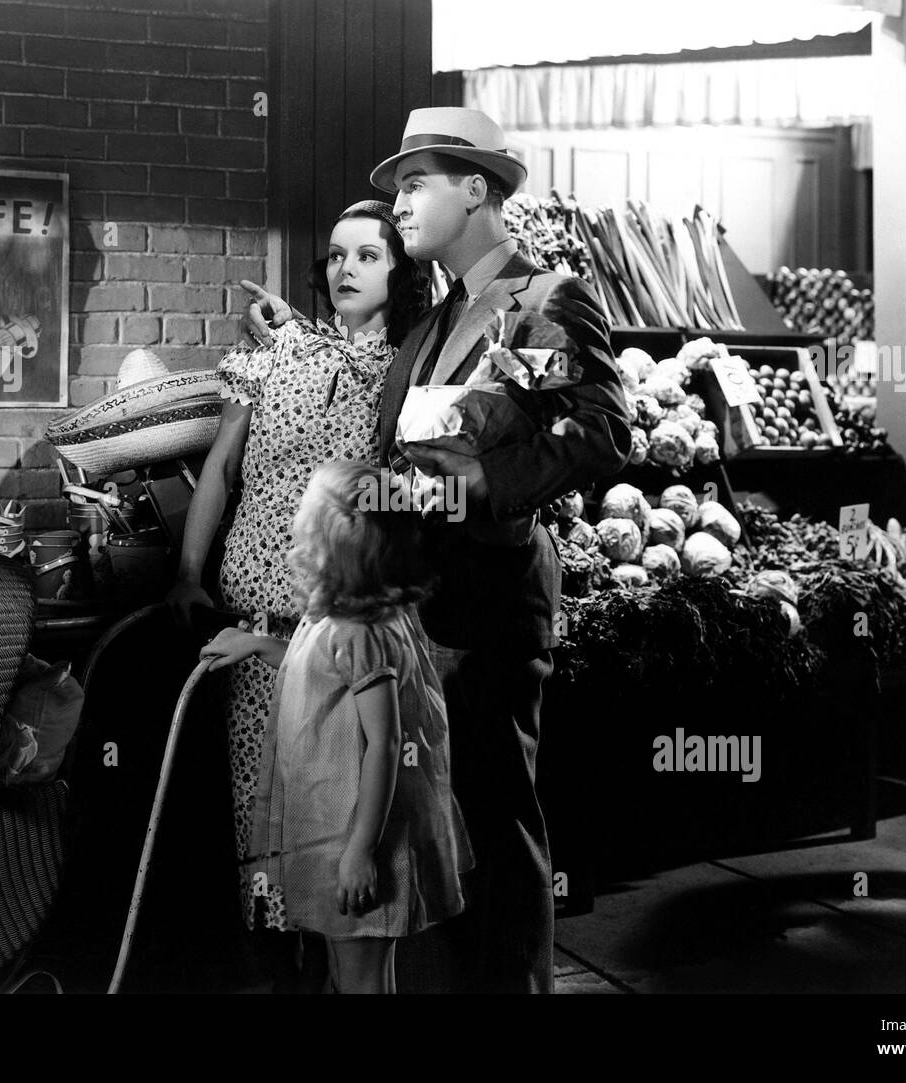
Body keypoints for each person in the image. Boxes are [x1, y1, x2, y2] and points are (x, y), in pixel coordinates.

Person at [238, 107, 634, 993]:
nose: (400, 204)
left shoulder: (545, 300)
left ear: (477, 189)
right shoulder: (427, 329)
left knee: (496, 818)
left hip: (493, 604)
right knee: (431, 825)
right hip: (415, 611)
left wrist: (469, 487)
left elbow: (601, 434)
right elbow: (397, 465)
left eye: (416, 184)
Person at [166, 201, 431, 952]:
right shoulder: (279, 351)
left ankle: (341, 960)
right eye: (336, 255)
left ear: (403, 272)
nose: (344, 268)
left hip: (338, 636)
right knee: (264, 821)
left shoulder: (409, 373)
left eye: (368, 256)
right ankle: (283, 964)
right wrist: (190, 572)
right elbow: (219, 467)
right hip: (251, 630)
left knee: (336, 809)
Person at [196, 460, 472, 994]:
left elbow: (386, 744)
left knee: (363, 980)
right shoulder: (339, 614)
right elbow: (320, 671)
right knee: (352, 975)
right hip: (331, 827)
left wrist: (360, 852)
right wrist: (256, 645)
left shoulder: (362, 628)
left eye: (308, 510)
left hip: (360, 835)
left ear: (337, 538)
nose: (298, 518)